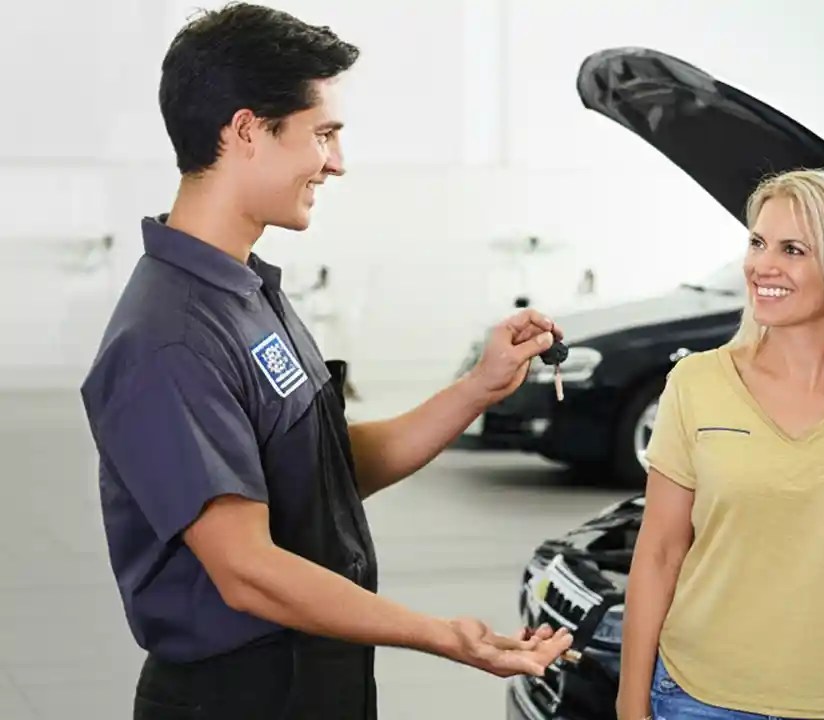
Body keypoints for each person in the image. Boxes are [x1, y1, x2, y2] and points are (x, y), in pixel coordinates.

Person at [78, 4, 572, 719]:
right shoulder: (170, 337)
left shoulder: (245, 292)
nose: (336, 162)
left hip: (313, 674)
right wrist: (442, 635)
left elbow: (324, 474)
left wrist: (476, 389)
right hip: (238, 695)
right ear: (248, 130)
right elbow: (247, 572)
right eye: (323, 134)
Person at [615, 168, 824, 720]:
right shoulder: (697, 382)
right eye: (757, 242)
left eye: (792, 249)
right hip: (699, 697)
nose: (761, 266)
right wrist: (630, 704)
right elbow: (659, 552)